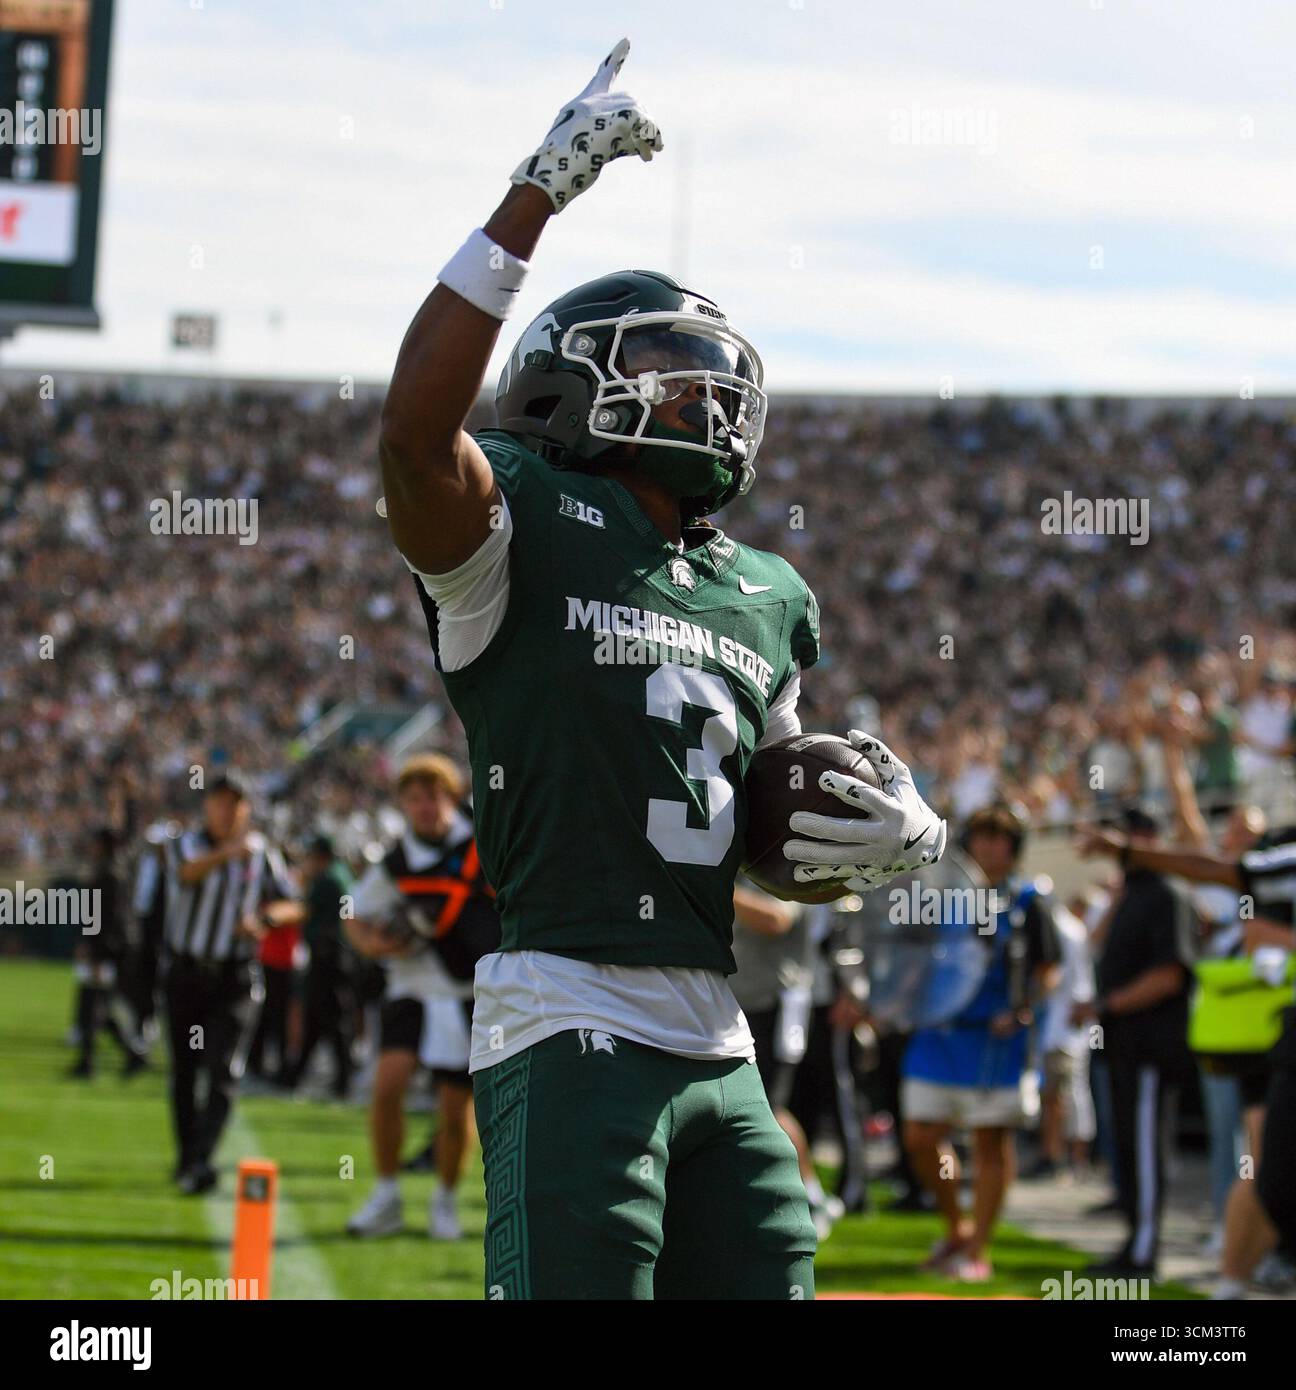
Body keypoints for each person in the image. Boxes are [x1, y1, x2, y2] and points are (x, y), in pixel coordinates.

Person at [378, 38, 947, 1299]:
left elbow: (751, 823)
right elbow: (415, 441)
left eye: (703, 369)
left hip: (720, 1031)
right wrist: (533, 196)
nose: (700, 392)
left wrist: (870, 833)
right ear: (562, 388)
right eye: (652, 366)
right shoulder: (515, 524)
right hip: (570, 1009)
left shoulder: (766, 593)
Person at [1078, 815, 1296, 1294]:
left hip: (1172, 1042)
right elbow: (1225, 878)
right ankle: (1232, 1282)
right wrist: (1127, 857)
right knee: (1268, 1170)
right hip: (1266, 1037)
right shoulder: (1278, 862)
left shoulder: (1164, 897)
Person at [900, 804, 1060, 1281]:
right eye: (983, 838)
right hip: (939, 1035)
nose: (991, 848)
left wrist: (1023, 1008)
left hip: (996, 1042)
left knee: (991, 1141)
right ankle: (956, 1226)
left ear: (1015, 848)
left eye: (1002, 839)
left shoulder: (1029, 901)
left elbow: (1048, 969)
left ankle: (978, 1249)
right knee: (920, 1135)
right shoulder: (941, 896)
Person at [344, 756, 497, 1240]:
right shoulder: (396, 860)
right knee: (387, 1085)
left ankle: (445, 1201)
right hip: (411, 985)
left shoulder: (485, 843)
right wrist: (372, 942)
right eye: (414, 798)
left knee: (454, 1110)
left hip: (467, 991)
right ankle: (387, 1193)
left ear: (451, 798)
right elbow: (353, 910)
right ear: (404, 805)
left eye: (433, 796)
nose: (425, 807)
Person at [1073, 804, 1198, 1277]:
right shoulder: (1136, 891)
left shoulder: (1167, 891)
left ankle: (1144, 1251)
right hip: (1125, 1045)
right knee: (1128, 1146)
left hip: (1151, 1045)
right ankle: (1133, 1242)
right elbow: (1096, 943)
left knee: (1146, 1149)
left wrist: (1105, 1006)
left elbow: (1168, 976)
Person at [161, 771, 297, 1194]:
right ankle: (187, 1156)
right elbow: (186, 874)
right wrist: (231, 852)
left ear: (247, 808)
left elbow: (293, 901)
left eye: (236, 803)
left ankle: (201, 1159)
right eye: (220, 801)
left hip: (235, 977)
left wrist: (264, 919)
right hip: (187, 973)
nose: (227, 810)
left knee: (222, 1068)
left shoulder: (262, 854)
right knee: (185, 1070)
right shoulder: (184, 843)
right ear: (206, 806)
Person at [69, 828, 147, 1079]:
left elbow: (107, 920)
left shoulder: (110, 875)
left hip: (109, 951)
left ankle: (90, 1062)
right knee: (97, 1006)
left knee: (92, 1005)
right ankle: (131, 1054)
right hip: (111, 949)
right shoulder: (112, 871)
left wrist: (96, 954)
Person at [285, 836, 356, 1099]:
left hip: (328, 956)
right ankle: (296, 1074)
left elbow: (306, 910)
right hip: (337, 956)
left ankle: (341, 1079)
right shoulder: (341, 874)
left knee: (331, 1019)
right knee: (322, 1018)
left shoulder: (328, 880)